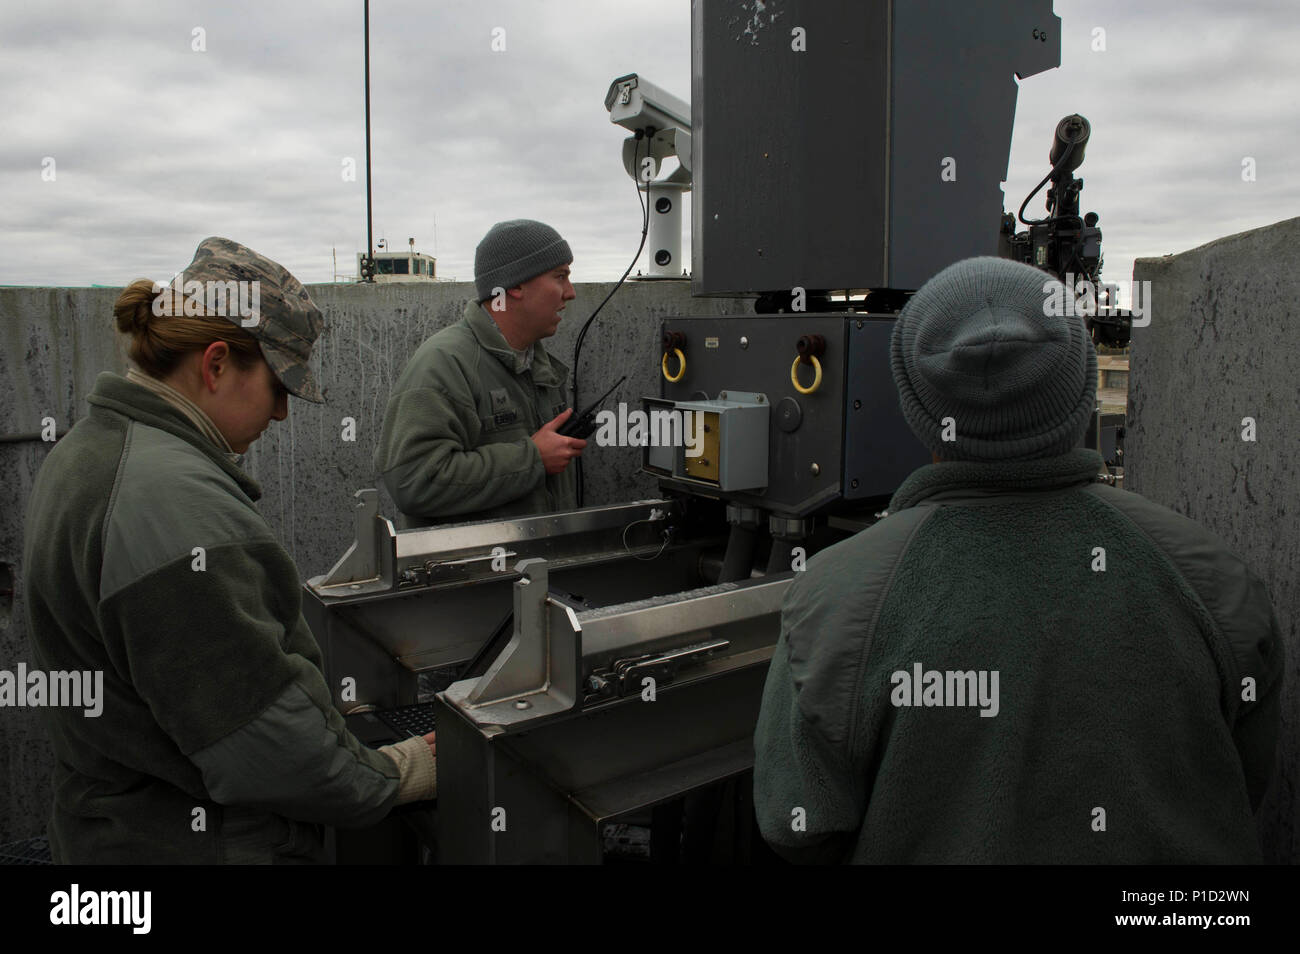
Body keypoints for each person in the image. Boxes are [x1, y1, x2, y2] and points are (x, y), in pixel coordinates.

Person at [752, 256, 1284, 864]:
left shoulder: (835, 597)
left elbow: (796, 825)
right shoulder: (1211, 576)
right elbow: (1244, 782)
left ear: (916, 405)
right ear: (1081, 389)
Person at [23, 236, 436, 864]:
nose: (280, 417)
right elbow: (271, 754)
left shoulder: (90, 449)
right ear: (216, 364)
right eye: (279, 388)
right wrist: (404, 769)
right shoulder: (173, 504)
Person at [373, 219, 586, 527]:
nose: (570, 292)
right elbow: (414, 482)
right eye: (560, 277)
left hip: (539, 564)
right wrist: (532, 459)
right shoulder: (444, 364)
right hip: (474, 572)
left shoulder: (539, 365)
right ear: (514, 286)